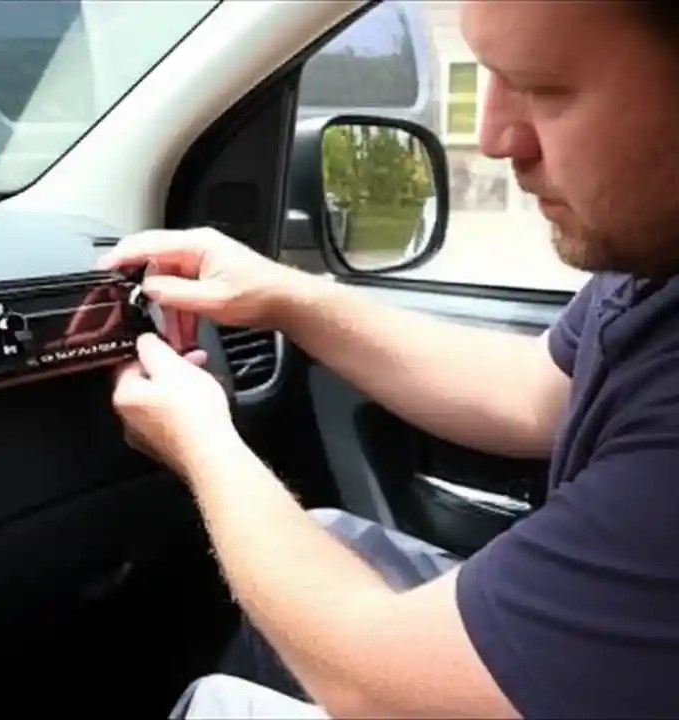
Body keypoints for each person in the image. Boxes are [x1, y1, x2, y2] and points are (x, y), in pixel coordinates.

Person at [99, 1, 679, 717]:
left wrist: (201, 443)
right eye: (487, 78)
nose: (495, 137)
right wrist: (285, 297)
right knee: (320, 541)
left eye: (544, 88)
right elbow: (532, 393)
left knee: (220, 705)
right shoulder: (657, 266)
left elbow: (376, 687)